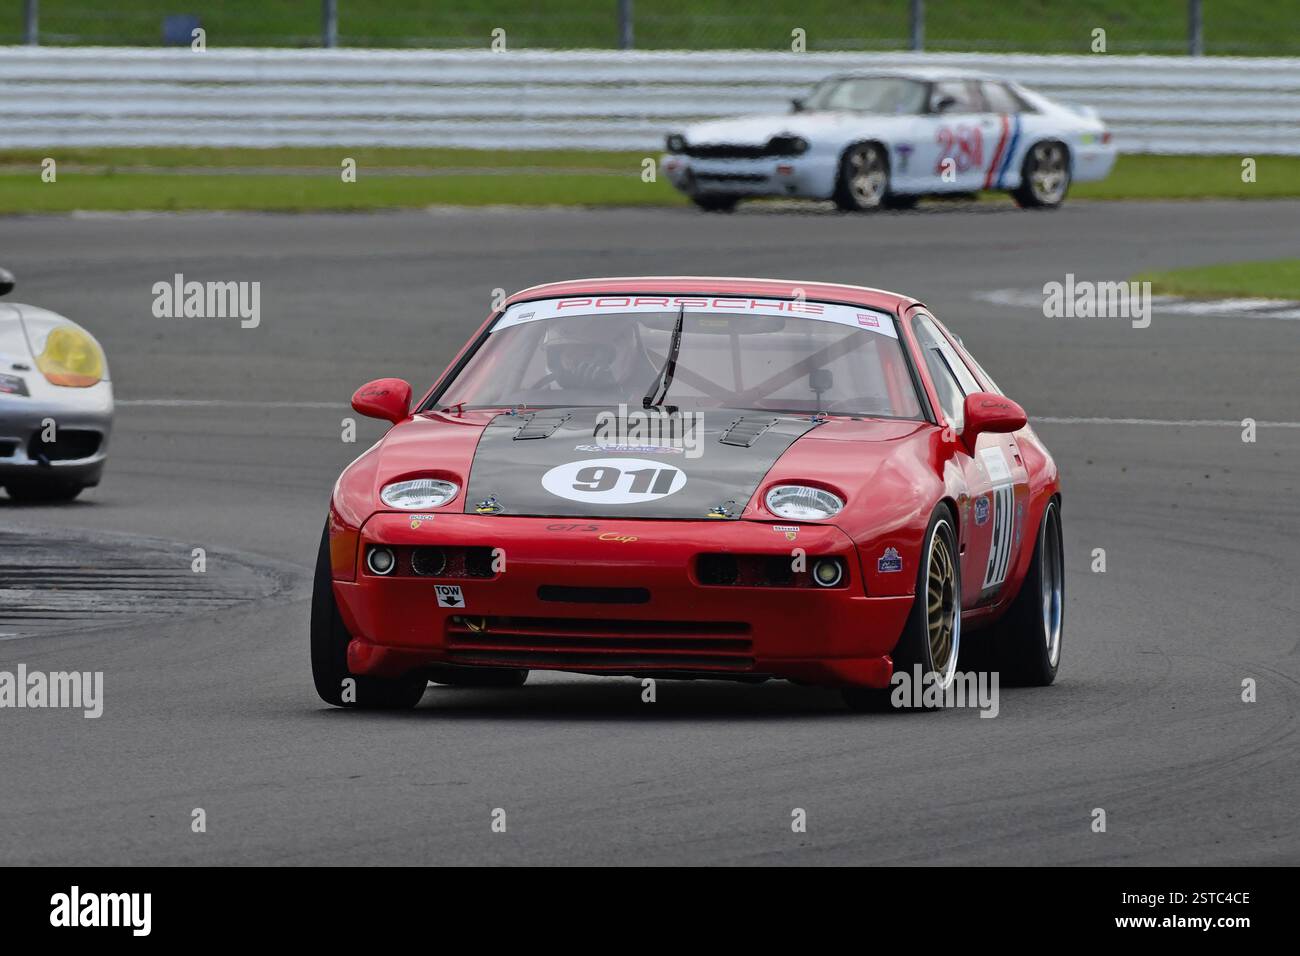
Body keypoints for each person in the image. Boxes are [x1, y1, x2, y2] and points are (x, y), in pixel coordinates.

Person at [541, 317, 655, 392]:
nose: (570, 363)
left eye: (587, 355)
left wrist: (608, 391)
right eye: (566, 354)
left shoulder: (655, 397)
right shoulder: (539, 400)